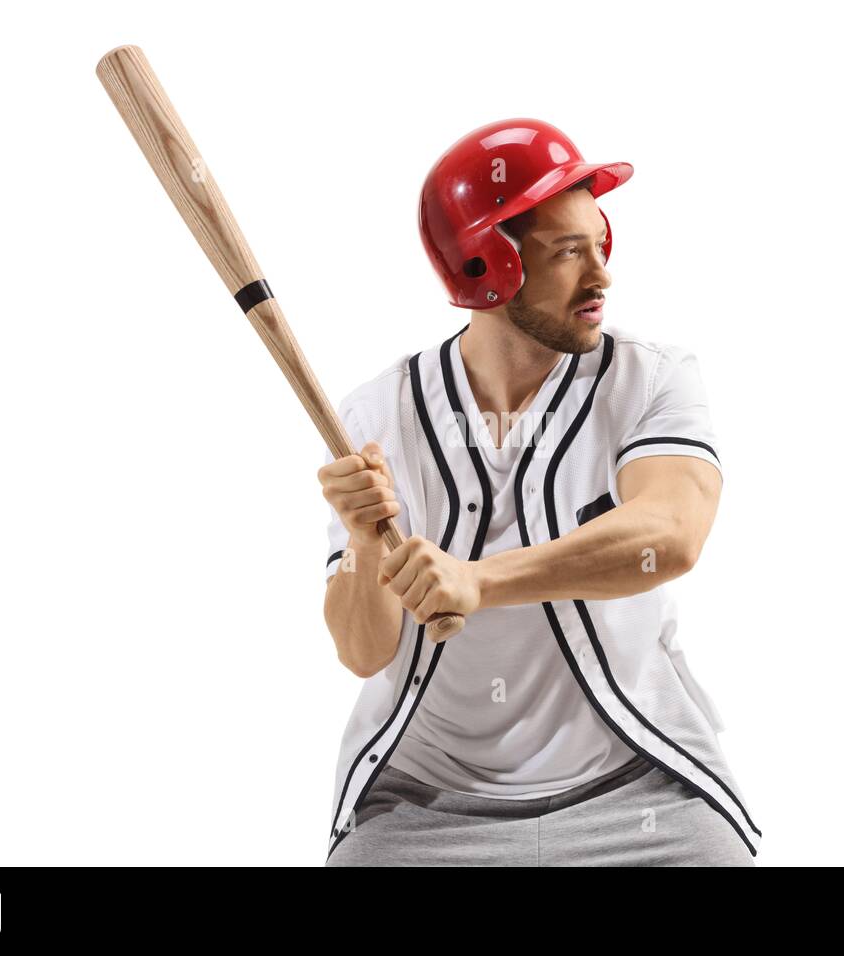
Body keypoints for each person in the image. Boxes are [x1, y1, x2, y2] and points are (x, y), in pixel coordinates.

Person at [317, 119, 762, 866]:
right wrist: (365, 541)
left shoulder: (653, 378)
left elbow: (671, 533)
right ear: (486, 266)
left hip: (640, 797)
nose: (602, 274)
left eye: (600, 241)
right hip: (427, 812)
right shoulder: (374, 414)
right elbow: (363, 654)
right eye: (567, 252)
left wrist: (479, 579)